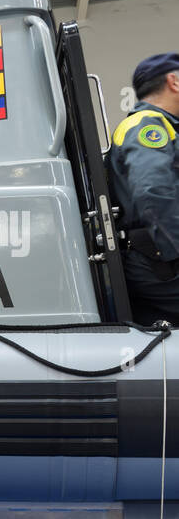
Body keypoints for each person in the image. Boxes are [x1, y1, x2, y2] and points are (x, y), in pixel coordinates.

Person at [106, 52, 179, 324]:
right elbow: (153, 192)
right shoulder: (146, 126)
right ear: (174, 81)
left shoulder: (164, 126)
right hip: (159, 262)